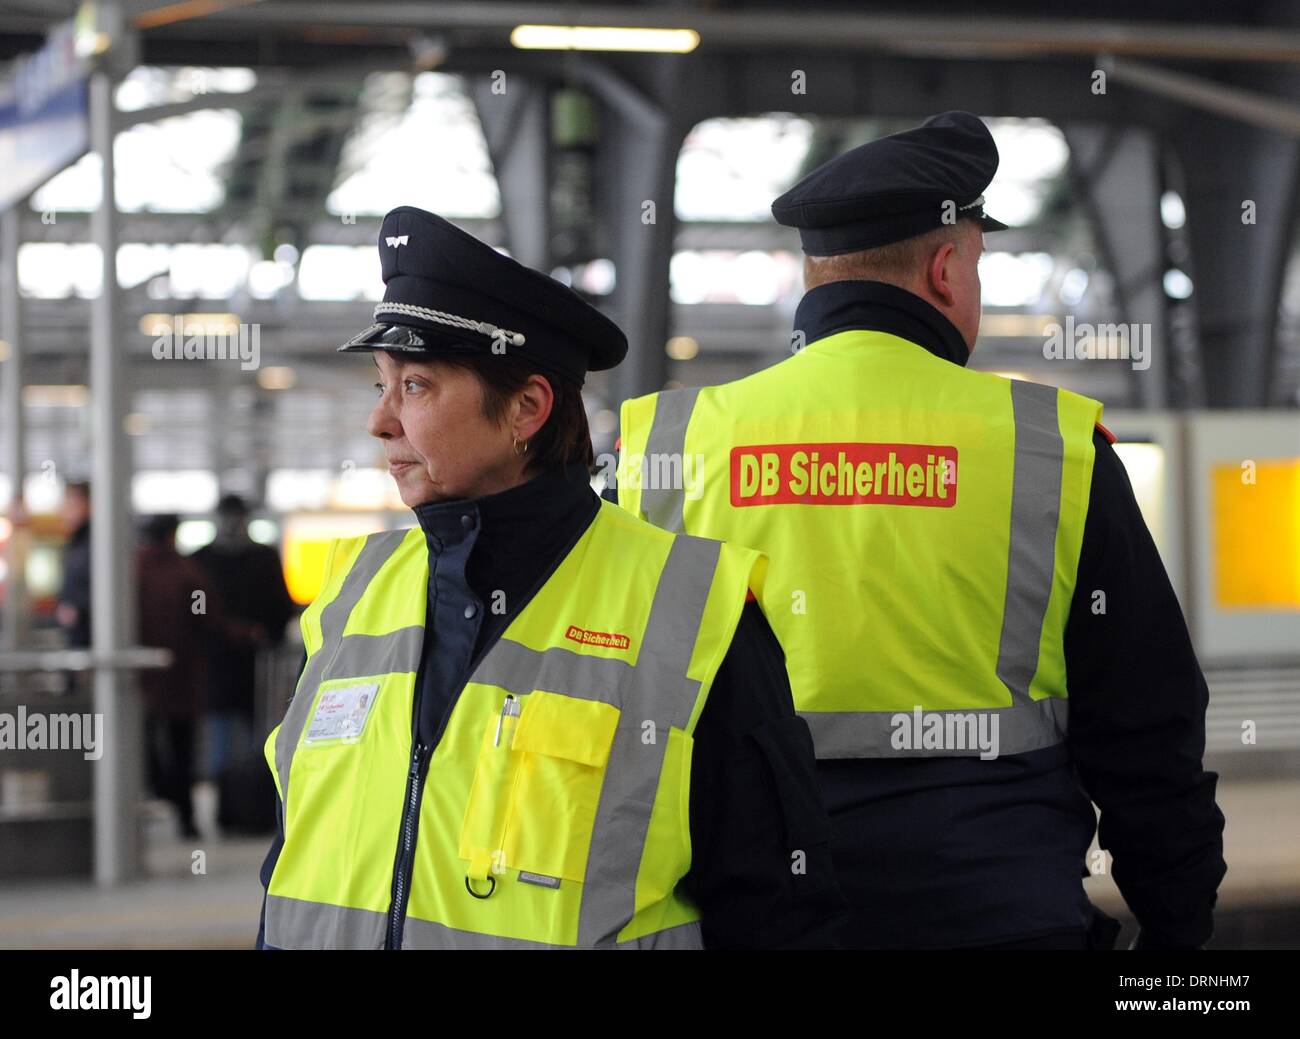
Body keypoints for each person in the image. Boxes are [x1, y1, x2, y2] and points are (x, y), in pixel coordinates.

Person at [617, 111, 1226, 950]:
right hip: (998, 916)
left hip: (748, 918)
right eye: (976, 264)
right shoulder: (1048, 447)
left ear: (817, 275)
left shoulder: (671, 442)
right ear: (945, 269)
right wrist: (1178, 924)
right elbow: (1146, 728)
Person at [255, 205, 846, 950]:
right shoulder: (348, 595)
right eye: (382, 382)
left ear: (527, 408)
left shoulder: (692, 613)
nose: (379, 420)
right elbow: (290, 867)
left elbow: (778, 913)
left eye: (416, 386)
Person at [192, 494, 295, 782]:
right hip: (228, 660)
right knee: (229, 733)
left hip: (250, 661)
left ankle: (247, 797)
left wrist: (257, 632)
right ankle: (235, 800)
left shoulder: (207, 561)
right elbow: (196, 605)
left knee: (253, 732)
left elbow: (280, 605)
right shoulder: (209, 561)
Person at [136, 513, 213, 839]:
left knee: (142, 744)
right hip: (180, 676)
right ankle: (186, 817)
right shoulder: (187, 571)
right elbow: (206, 618)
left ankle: (155, 796)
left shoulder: (129, 570)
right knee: (182, 749)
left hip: (137, 677)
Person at [55, 481, 92, 649]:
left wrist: (77, 608)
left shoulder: (95, 543)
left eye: (73, 504)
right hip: (76, 636)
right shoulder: (74, 543)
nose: (66, 511)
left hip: (90, 637)